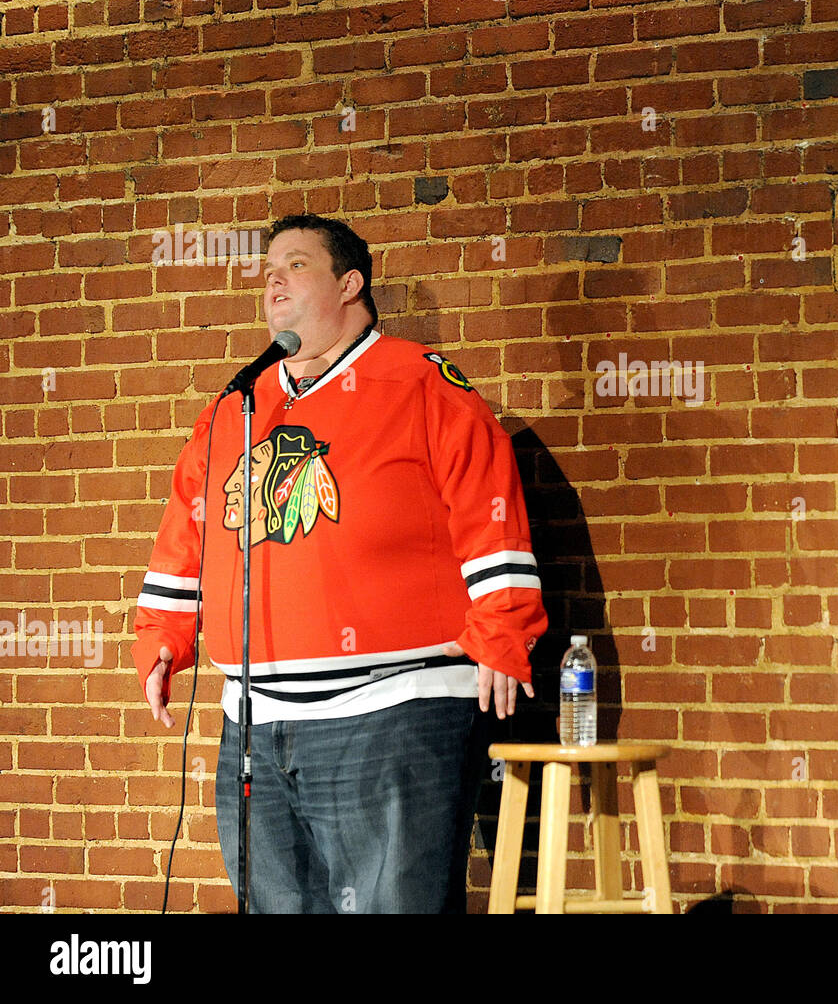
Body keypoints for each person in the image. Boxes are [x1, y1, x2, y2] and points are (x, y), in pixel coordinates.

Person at [131, 214, 547, 912]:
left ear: (350, 283)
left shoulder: (421, 382)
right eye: (267, 268)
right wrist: (163, 635)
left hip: (395, 708)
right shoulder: (237, 406)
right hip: (257, 723)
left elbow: (488, 501)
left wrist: (505, 624)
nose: (272, 278)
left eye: (295, 264)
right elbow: (189, 525)